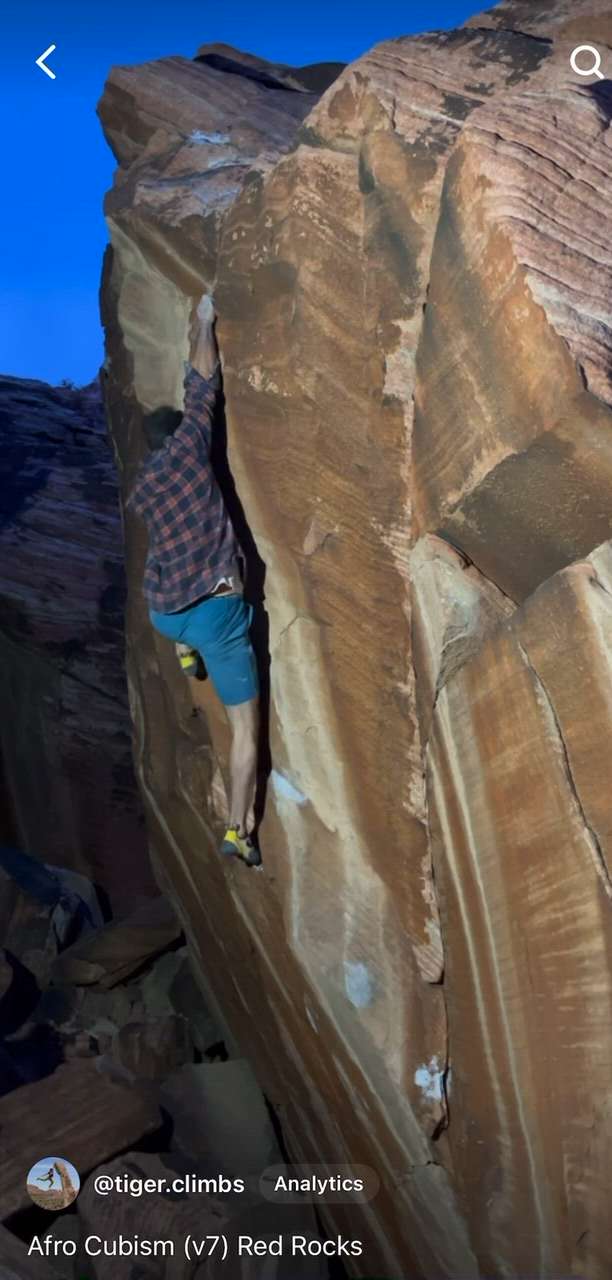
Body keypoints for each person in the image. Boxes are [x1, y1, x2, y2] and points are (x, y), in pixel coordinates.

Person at [127, 294, 261, 867]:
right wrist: (204, 319)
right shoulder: (188, 452)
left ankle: (184, 653)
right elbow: (201, 380)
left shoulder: (145, 488)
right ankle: (238, 830)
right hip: (216, 614)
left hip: (166, 611)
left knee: (166, 579)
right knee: (246, 735)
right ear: (176, 439)